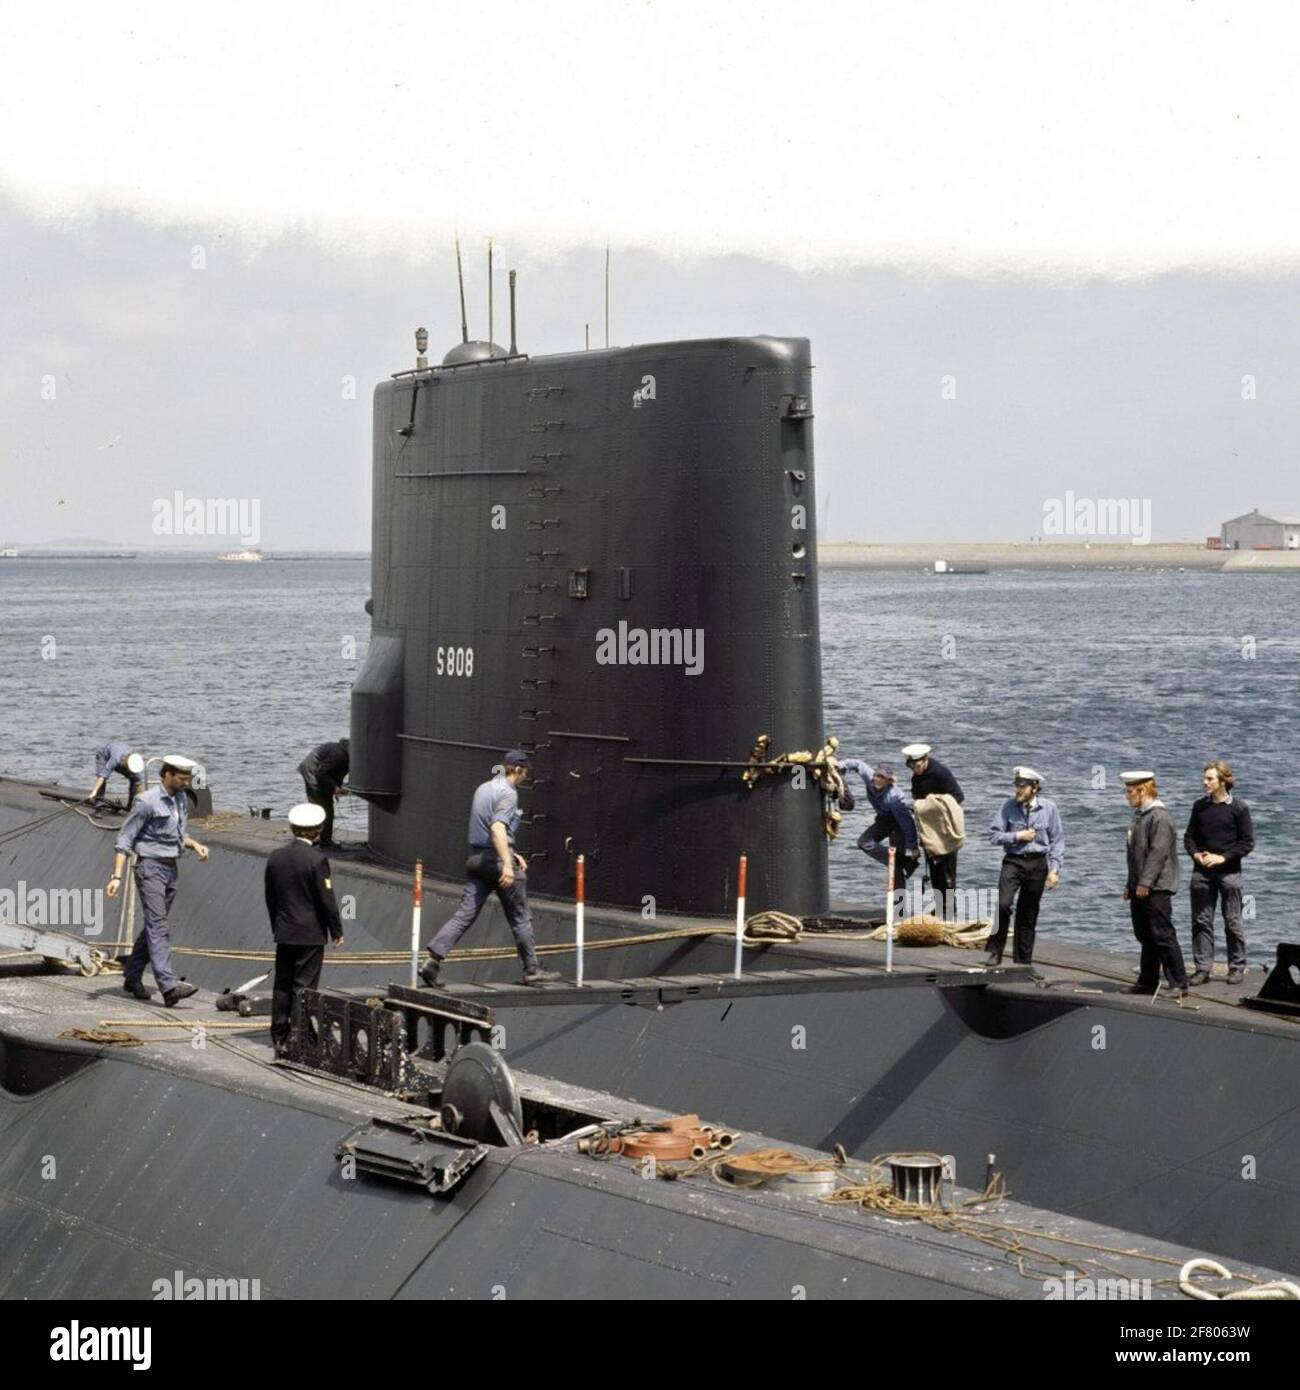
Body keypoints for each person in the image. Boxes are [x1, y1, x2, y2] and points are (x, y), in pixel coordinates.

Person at [420, 751, 561, 988]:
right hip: (496, 862)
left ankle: (432, 963)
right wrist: (507, 864)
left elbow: (486, 827)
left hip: (477, 859)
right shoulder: (508, 794)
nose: (526, 776)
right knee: (520, 917)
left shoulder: (483, 788)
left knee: (465, 914)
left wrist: (512, 853)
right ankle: (532, 970)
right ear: (517, 769)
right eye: (525, 771)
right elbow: (496, 828)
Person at [106, 754, 209, 1006]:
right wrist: (116, 876)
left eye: (187, 779)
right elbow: (125, 840)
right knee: (159, 926)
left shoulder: (181, 798)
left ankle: (132, 975)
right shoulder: (146, 802)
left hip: (171, 867)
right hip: (150, 868)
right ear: (167, 774)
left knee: (154, 924)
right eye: (182, 778)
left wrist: (194, 844)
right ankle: (169, 986)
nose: (186, 783)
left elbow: (176, 834)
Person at [265, 803, 344, 1056]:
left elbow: (271, 897)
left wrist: (278, 925)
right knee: (303, 988)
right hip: (310, 935)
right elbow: (326, 898)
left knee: (282, 983)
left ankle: (279, 1035)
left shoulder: (275, 857)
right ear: (318, 830)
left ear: (292, 828)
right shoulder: (317, 860)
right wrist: (337, 930)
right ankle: (297, 1039)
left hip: (285, 931)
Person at [1184, 760, 1254, 986]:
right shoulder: (1199, 806)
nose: (1205, 782)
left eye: (1210, 779)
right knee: (1201, 921)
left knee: (1232, 920)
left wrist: (1223, 857)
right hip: (1201, 872)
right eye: (1205, 778)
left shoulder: (1239, 808)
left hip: (1229, 873)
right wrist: (1196, 855)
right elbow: (1189, 837)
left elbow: (1246, 843)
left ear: (1223, 781)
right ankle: (1203, 968)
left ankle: (1236, 966)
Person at [986, 766, 1064, 968]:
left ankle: (1023, 960)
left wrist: (1055, 869)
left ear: (1034, 787)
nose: (1018, 790)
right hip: (1013, 861)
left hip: (1038, 864)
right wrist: (1017, 836)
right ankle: (995, 951)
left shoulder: (1049, 808)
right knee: (1003, 905)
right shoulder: (1008, 807)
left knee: (1028, 913)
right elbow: (994, 835)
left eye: (1022, 786)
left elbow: (1057, 840)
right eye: (1016, 785)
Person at [1121, 769, 1187, 998]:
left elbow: (1157, 853)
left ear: (1143, 790)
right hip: (1141, 886)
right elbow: (1136, 855)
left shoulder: (1159, 817)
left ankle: (1178, 982)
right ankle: (1147, 981)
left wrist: (1145, 882)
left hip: (1157, 887)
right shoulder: (1141, 816)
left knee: (1162, 934)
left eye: (1130, 792)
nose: (1126, 796)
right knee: (1145, 935)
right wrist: (1131, 884)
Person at [838, 759, 920, 902]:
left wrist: (912, 847)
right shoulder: (871, 779)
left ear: (889, 781)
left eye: (882, 778)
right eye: (877, 775)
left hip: (897, 824)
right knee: (863, 842)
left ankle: (898, 904)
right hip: (882, 820)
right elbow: (858, 764)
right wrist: (840, 765)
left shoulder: (894, 799)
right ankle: (896, 860)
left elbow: (907, 823)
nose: (877, 779)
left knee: (896, 868)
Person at [903, 743, 964, 919]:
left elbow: (958, 797)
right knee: (935, 870)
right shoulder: (916, 778)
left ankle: (949, 912)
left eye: (917, 765)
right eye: (910, 766)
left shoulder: (940, 773)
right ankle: (939, 909)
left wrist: (932, 803)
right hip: (929, 830)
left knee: (947, 873)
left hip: (945, 830)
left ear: (925, 759)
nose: (914, 770)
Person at [297, 738, 350, 848]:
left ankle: (318, 837)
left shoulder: (345, 756)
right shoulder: (339, 755)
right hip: (312, 770)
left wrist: (336, 787)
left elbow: (336, 772)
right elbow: (321, 774)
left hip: (319, 770)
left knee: (325, 806)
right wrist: (334, 787)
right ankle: (322, 840)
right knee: (323, 807)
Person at [86, 741, 145, 809]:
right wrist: (94, 792)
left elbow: (139, 786)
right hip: (104, 755)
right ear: (126, 765)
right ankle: (99, 804)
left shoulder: (137, 765)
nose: (132, 773)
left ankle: (130, 806)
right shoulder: (115, 760)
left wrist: (142, 802)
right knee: (102, 777)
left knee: (135, 780)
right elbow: (102, 777)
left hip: (121, 749)